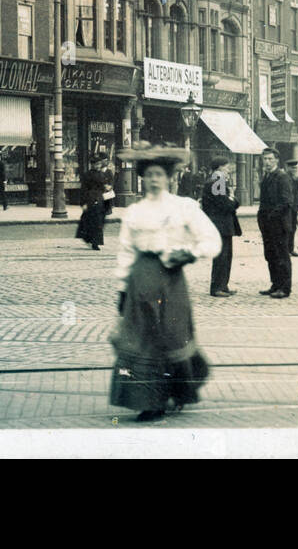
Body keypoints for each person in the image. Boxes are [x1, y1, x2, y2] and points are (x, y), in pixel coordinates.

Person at [109, 143, 221, 422]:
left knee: (171, 336)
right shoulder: (134, 211)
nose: (154, 179)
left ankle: (177, 391)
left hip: (170, 280)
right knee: (141, 340)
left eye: (159, 174)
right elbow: (126, 250)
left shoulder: (184, 207)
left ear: (170, 177)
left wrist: (189, 253)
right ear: (142, 178)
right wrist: (123, 288)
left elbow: (211, 240)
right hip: (140, 279)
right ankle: (150, 401)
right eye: (149, 174)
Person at [200, 156, 241, 297]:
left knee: (225, 256)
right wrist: (234, 199)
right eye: (227, 167)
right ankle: (218, 287)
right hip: (221, 224)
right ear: (219, 168)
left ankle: (223, 286)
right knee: (222, 257)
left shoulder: (215, 181)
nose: (229, 169)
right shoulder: (219, 181)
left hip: (219, 224)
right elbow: (225, 205)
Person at [257, 147, 295, 298]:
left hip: (279, 224)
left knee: (281, 256)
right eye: (265, 159)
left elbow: (287, 202)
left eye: (270, 159)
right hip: (267, 224)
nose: (267, 162)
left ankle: (284, 288)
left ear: (276, 160)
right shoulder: (267, 176)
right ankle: (275, 284)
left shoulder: (282, 177)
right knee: (270, 255)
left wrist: (272, 216)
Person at [77, 166, 111, 250]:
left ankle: (93, 241)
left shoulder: (102, 174)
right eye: (97, 163)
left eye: (99, 163)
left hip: (99, 200)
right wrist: (83, 203)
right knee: (93, 221)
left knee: (98, 222)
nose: (98, 165)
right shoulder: (89, 175)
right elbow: (84, 190)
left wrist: (107, 188)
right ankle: (92, 241)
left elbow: (104, 187)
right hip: (91, 200)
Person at [286, 157, 298, 257]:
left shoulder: (295, 178)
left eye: (296, 168)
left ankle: (291, 249)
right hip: (288, 208)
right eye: (293, 168)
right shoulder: (286, 178)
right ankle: (286, 250)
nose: (295, 169)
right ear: (288, 168)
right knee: (287, 228)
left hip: (294, 208)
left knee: (293, 228)